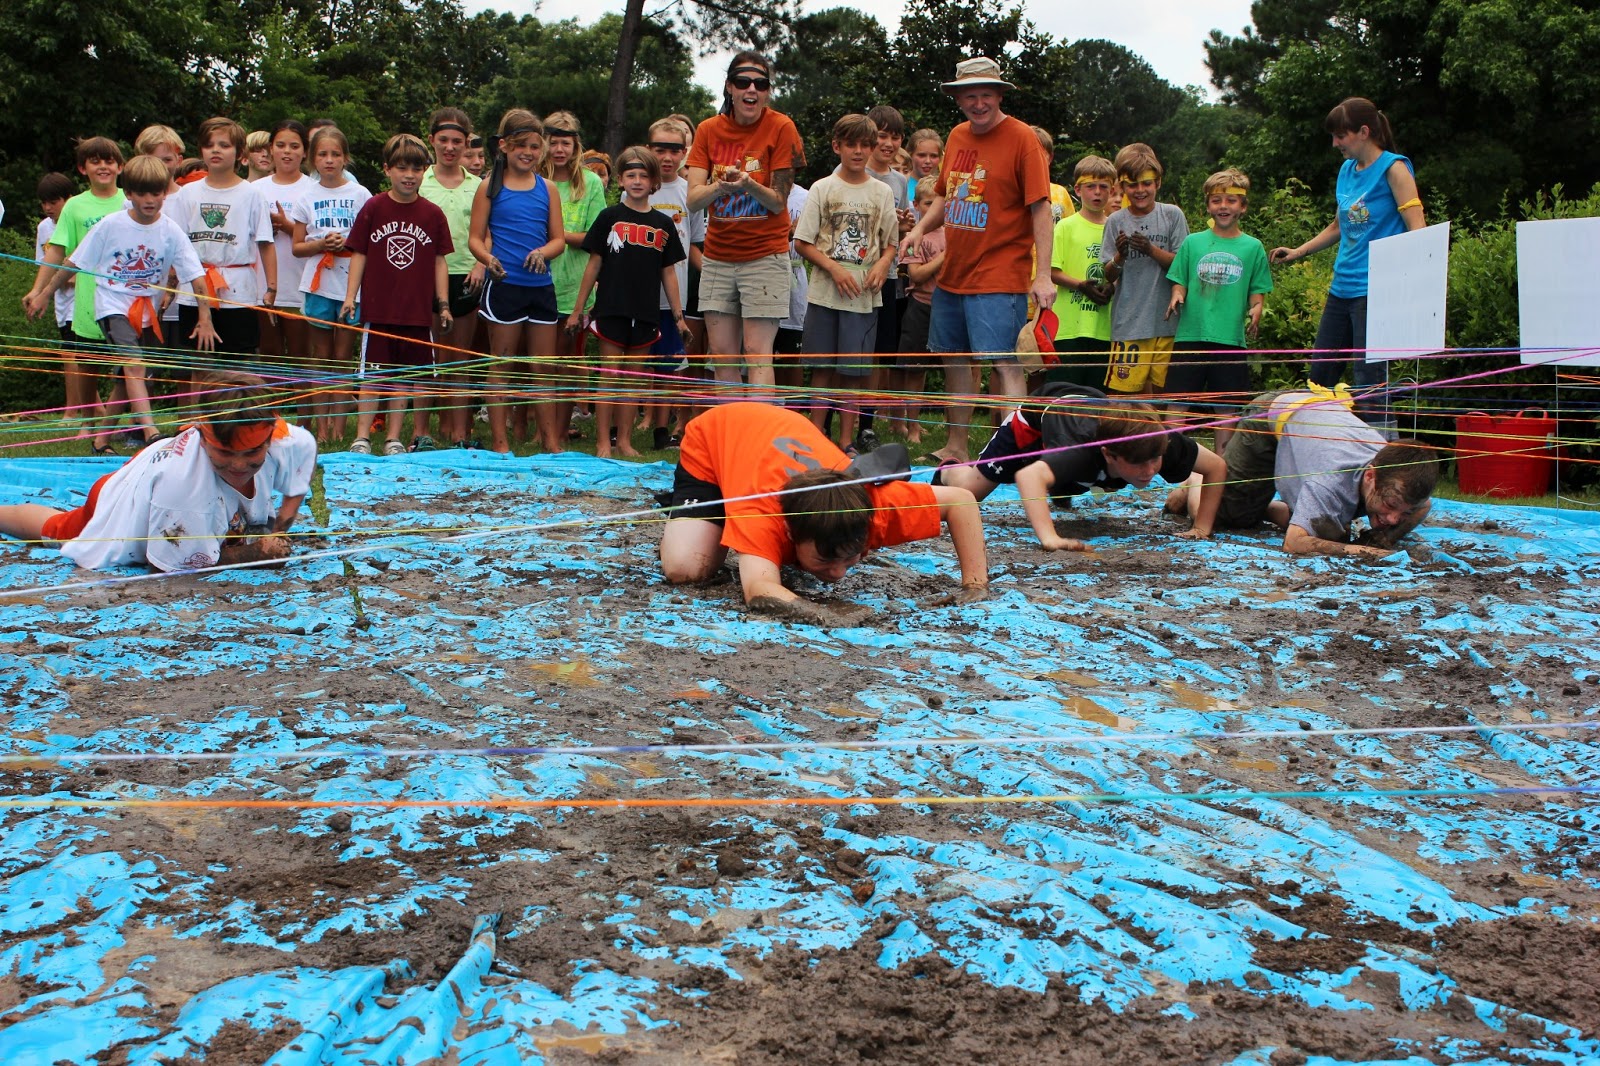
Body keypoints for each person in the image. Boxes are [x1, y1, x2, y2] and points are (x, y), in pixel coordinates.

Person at [659, 402, 989, 622]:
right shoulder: (764, 516)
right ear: (790, 532)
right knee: (686, 570)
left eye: (850, 558)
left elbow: (961, 501)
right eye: (826, 559)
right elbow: (758, 590)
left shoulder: (878, 504)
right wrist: (828, 614)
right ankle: (709, 509)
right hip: (718, 436)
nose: (839, 573)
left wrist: (975, 586)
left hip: (784, 428)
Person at [897, 56, 1054, 463]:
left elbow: (1040, 207)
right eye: (970, 96)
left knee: (1004, 363)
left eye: (986, 94)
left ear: (999, 95)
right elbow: (945, 196)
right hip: (954, 273)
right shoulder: (957, 136)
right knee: (953, 359)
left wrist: (1043, 275)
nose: (978, 103)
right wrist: (918, 229)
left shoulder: (1022, 139)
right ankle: (956, 446)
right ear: (958, 98)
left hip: (1000, 272)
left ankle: (1015, 453)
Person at [0, 372, 317, 572]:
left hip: (155, 465)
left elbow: (303, 457)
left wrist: (279, 529)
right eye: (224, 453)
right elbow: (167, 567)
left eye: (251, 453)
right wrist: (253, 555)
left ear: (270, 439)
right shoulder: (182, 491)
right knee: (57, 529)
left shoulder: (286, 440)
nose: (238, 466)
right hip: (119, 496)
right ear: (202, 435)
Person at [26, 155, 220, 451]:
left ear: (164, 193)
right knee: (134, 364)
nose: (149, 200)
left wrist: (205, 318)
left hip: (148, 313)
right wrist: (44, 293)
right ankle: (151, 431)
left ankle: (101, 440)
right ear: (128, 194)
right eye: (141, 193)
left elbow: (196, 276)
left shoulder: (171, 231)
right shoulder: (110, 225)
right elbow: (73, 262)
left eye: (155, 193)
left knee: (126, 380)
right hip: (112, 307)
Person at [1270, 98, 1424, 417]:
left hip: (1376, 290)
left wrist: (1416, 288)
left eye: (1340, 136)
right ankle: (1321, 440)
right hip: (1342, 288)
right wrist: (1299, 251)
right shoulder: (1346, 170)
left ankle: (1378, 446)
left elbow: (1417, 229)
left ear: (1364, 132)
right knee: (1319, 379)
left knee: (1369, 385)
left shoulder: (1394, 169)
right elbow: (1339, 225)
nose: (1335, 143)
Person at [936, 383, 1225, 551]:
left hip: (1081, 420)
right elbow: (1028, 477)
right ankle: (950, 469)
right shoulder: (1080, 453)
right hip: (1033, 424)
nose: (1150, 471)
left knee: (1069, 480)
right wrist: (1050, 538)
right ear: (1109, 454)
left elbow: (1216, 467)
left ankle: (1063, 487)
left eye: (1155, 461)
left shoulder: (1160, 442)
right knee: (968, 493)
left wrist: (1201, 528)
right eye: (1139, 464)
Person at [685, 51, 806, 394]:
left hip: (765, 255)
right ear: (730, 87)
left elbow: (778, 201)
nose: (751, 89)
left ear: (767, 92)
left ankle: (758, 426)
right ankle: (732, 426)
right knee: (722, 354)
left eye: (760, 84)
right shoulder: (708, 129)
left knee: (757, 352)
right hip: (718, 257)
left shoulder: (782, 127)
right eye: (743, 82)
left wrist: (748, 184)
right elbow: (693, 199)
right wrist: (720, 187)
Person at [1202, 386, 1437, 557]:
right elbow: (1293, 543)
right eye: (1390, 504)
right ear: (1370, 476)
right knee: (1227, 515)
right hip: (1272, 414)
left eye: (1404, 512)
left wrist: (1384, 538)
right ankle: (1197, 476)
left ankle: (1273, 508)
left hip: (1317, 418)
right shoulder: (1330, 481)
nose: (1394, 519)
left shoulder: (1395, 477)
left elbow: (1423, 506)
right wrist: (1361, 550)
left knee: (1329, 529)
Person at [567, 147, 689, 458]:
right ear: (620, 180)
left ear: (654, 182)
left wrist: (679, 317)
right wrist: (578, 309)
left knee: (634, 379)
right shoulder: (609, 217)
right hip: (612, 307)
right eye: (631, 175)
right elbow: (594, 264)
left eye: (644, 176)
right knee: (610, 375)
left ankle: (624, 440)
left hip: (646, 311)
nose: (637, 181)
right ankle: (602, 442)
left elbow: (669, 273)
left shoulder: (663, 223)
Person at [342, 134, 454, 456]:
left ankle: (393, 438)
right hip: (378, 310)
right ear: (387, 169)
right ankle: (362, 438)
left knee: (404, 377)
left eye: (416, 169)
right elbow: (359, 254)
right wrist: (350, 297)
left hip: (416, 313)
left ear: (425, 171)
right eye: (402, 168)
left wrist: (443, 304)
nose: (409, 175)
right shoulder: (374, 207)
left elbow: (439, 261)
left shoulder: (432, 214)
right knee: (372, 376)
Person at [795, 114, 899, 453]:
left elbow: (891, 243)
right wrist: (834, 270)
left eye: (865, 145)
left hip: (863, 298)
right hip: (825, 295)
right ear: (836, 146)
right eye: (851, 144)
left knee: (854, 372)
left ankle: (845, 441)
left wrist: (883, 264)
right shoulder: (822, 188)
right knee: (821, 369)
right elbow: (803, 242)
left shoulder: (882, 192)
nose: (858, 151)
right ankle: (814, 439)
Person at [468, 109, 567, 454]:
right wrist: (487, 259)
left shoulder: (548, 188)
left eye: (534, 147)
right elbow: (475, 238)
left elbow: (558, 239)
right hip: (505, 286)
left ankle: (551, 442)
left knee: (544, 369)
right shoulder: (489, 187)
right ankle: (500, 443)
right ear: (505, 146)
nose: (528, 152)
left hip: (540, 287)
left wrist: (543, 252)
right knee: (502, 364)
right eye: (521, 145)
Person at [1163, 168, 1272, 452]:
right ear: (1208, 205)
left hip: (1230, 339)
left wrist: (1256, 309)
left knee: (1226, 407)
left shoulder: (1253, 247)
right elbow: (1179, 281)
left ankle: (1223, 463)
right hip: (1190, 335)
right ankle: (1170, 458)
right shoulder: (1193, 242)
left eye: (1231, 200)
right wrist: (1177, 295)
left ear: (1243, 206)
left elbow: (1257, 292)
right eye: (1216, 200)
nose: (1223, 206)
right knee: (1177, 401)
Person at [25, 137, 126, 433]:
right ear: (83, 169)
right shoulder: (74, 206)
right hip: (87, 300)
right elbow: (56, 250)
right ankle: (89, 423)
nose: (103, 167)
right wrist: (39, 291)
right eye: (95, 161)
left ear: (120, 166)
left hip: (125, 298)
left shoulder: (130, 200)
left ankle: (120, 424)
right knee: (87, 365)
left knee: (128, 366)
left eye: (109, 161)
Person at [291, 125, 370, 442]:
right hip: (318, 283)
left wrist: (347, 242)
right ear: (313, 159)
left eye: (335, 154)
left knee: (342, 356)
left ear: (345, 158)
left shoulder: (360, 194)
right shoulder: (306, 197)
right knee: (320, 356)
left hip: (351, 283)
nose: (329, 160)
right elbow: (297, 247)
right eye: (322, 154)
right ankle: (321, 428)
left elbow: (369, 241)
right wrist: (321, 244)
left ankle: (339, 428)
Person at [1100, 143, 1188, 399]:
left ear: (1158, 183)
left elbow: (1183, 265)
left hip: (1168, 324)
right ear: (1122, 187)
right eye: (1132, 185)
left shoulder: (1172, 215)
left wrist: (1151, 250)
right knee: (1122, 397)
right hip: (1129, 324)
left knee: (1165, 396)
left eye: (1146, 183)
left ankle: (1158, 429)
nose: (1140, 191)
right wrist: (1120, 256)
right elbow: (1109, 274)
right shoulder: (1115, 220)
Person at [420, 107, 485, 449]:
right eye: (443, 140)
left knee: (460, 356)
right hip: (425, 275)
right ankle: (435, 425)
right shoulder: (420, 181)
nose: (449, 147)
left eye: (457, 141)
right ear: (432, 140)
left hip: (466, 273)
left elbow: (488, 231)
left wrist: (481, 265)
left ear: (466, 143)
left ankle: (460, 429)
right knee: (435, 358)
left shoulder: (478, 186)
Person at [643, 117, 697, 450]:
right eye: (660, 149)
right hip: (640, 296)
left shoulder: (691, 192)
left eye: (675, 150)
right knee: (634, 364)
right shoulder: (637, 185)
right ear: (648, 148)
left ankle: (661, 432)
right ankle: (621, 428)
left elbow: (696, 243)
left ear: (684, 152)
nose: (667, 157)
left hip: (675, 296)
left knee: (667, 367)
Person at [253, 119, 317, 378]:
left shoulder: (314, 190)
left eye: (294, 146)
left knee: (302, 358)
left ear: (305, 151)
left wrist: (289, 227)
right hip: (261, 288)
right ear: (271, 149)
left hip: (301, 286)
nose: (287, 152)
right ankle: (273, 405)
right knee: (269, 356)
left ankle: (304, 406)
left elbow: (323, 240)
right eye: (280, 145)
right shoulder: (254, 190)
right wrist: (265, 228)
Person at [31, 172, 93, 437]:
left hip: (87, 302)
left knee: (81, 357)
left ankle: (75, 411)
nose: (48, 207)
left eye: (53, 201)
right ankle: (86, 411)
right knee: (70, 354)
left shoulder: (82, 218)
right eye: (44, 202)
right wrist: (40, 293)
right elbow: (44, 264)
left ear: (69, 199)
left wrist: (70, 278)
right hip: (62, 303)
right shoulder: (44, 228)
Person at [1047, 155, 1116, 390]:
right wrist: (1080, 285)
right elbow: (1052, 271)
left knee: (1097, 395)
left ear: (1112, 190)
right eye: (1090, 186)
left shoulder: (1115, 227)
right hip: (1068, 328)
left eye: (1103, 187)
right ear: (1077, 189)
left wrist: (1112, 286)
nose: (1097, 193)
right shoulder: (1065, 226)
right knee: (1063, 392)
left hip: (1104, 328)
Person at [894, 175, 946, 447]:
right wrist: (945, 257)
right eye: (928, 203)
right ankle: (912, 426)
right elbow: (916, 274)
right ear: (915, 205)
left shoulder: (953, 233)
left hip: (949, 307)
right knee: (915, 370)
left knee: (954, 369)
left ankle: (954, 428)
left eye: (938, 203)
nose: (934, 208)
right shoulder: (915, 236)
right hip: (921, 306)